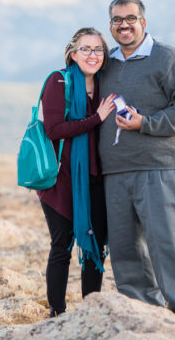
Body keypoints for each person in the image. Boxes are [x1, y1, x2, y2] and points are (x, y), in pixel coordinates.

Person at [98, 0, 175, 324]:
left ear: (144, 22)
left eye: (130, 18)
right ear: (110, 25)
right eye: (117, 20)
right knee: (126, 253)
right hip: (116, 171)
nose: (124, 24)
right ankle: (146, 322)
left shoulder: (167, 58)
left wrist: (146, 124)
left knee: (168, 245)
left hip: (161, 167)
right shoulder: (107, 64)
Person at [37, 27, 117, 317]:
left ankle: (90, 313)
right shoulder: (59, 81)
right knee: (62, 246)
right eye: (86, 49)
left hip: (95, 180)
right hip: (62, 180)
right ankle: (57, 313)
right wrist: (97, 118)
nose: (92, 55)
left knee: (94, 249)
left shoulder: (106, 83)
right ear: (73, 53)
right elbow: (54, 129)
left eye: (98, 49)